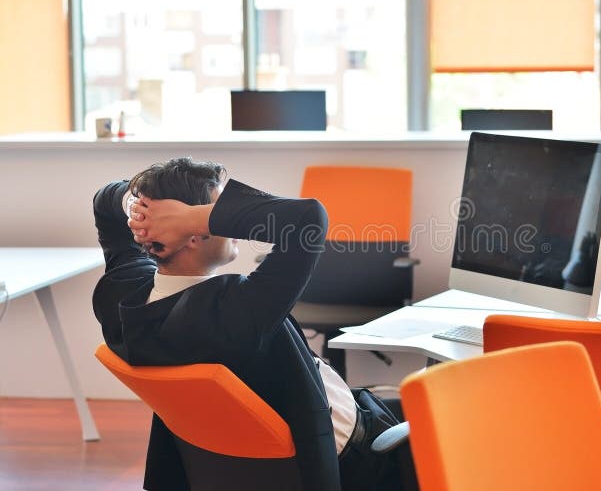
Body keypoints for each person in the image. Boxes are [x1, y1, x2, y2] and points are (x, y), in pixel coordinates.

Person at [92, 157, 402, 491]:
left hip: (256, 466)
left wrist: (139, 208)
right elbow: (308, 218)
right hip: (362, 461)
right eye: (219, 209)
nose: (228, 217)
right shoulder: (234, 312)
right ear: (192, 234)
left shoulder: (124, 302)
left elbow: (103, 200)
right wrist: (190, 218)